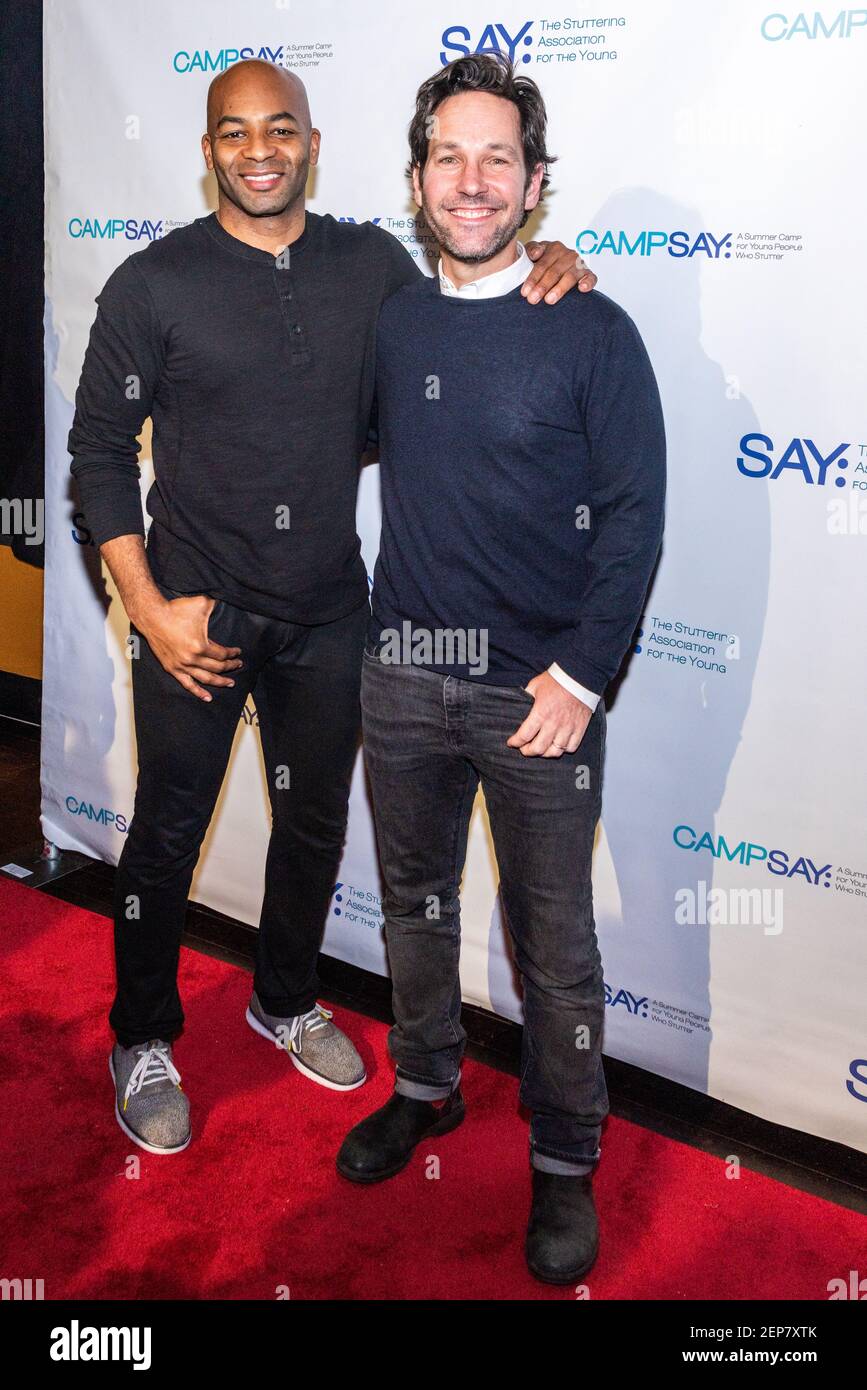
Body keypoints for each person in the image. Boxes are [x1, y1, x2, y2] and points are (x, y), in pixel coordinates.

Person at [67, 57, 594, 1156]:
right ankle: (142, 1033)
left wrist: (548, 258)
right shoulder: (149, 283)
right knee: (164, 837)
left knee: (311, 826)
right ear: (208, 148)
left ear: (313, 142)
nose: (259, 150)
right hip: (195, 619)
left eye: (281, 130)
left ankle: (285, 997)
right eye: (234, 132)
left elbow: (467, 307)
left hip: (327, 614)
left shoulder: (373, 267)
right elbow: (99, 458)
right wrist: (151, 611)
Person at [336, 54, 666, 1285]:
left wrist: (581, 679)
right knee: (415, 909)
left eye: (497, 159)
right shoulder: (395, 315)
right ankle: (426, 1084)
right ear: (419, 178)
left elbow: (633, 516)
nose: (470, 182)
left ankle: (567, 1157)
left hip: (538, 696)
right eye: (447, 157)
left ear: (536, 183)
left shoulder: (592, 327)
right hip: (404, 672)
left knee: (555, 945)